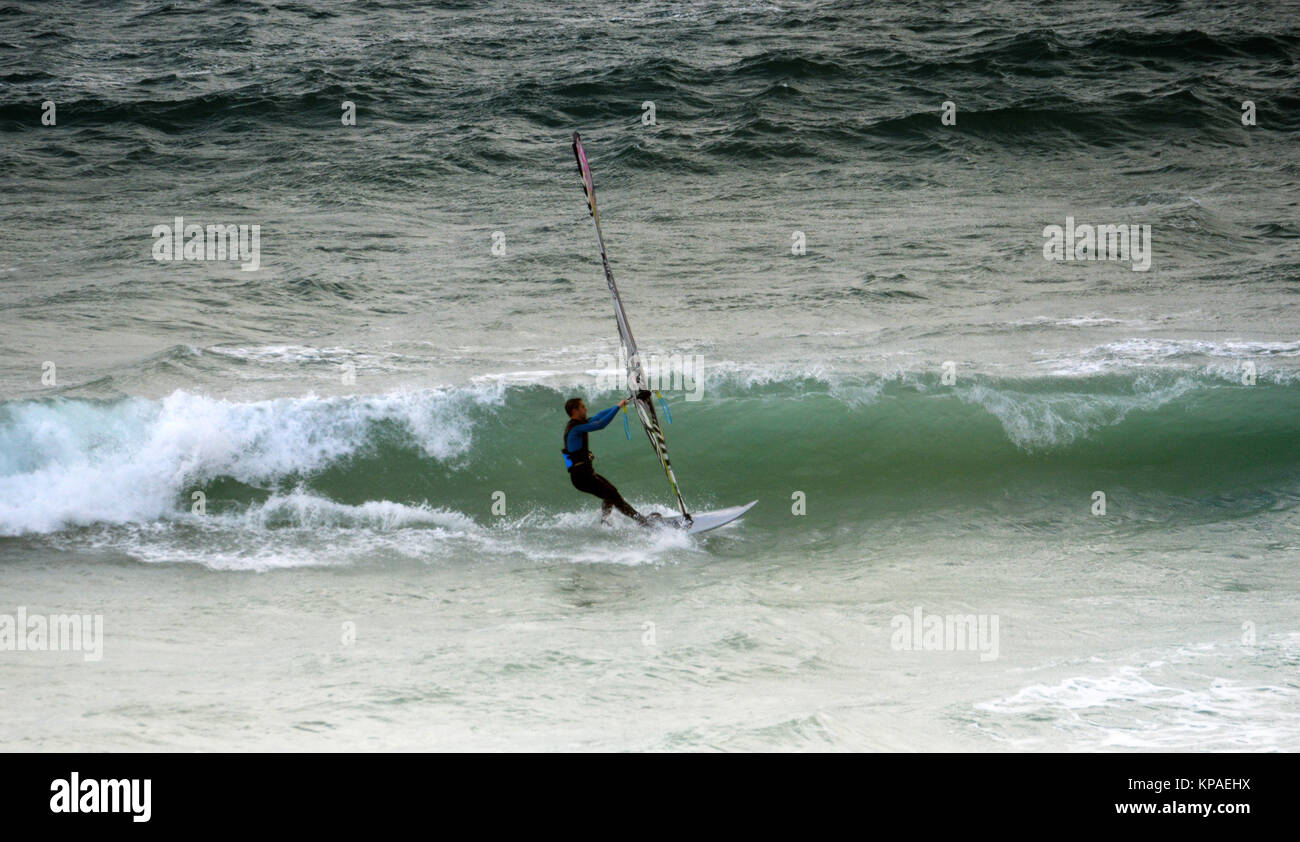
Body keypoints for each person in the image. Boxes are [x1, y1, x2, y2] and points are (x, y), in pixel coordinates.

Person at [562, 397, 656, 525]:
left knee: (611, 493)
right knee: (613, 495)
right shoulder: (575, 428)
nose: (586, 409)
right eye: (583, 407)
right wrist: (617, 408)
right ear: (575, 411)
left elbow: (599, 416)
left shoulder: (579, 425)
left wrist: (619, 404)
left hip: (585, 474)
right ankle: (642, 521)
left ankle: (604, 522)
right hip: (581, 477)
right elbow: (601, 424)